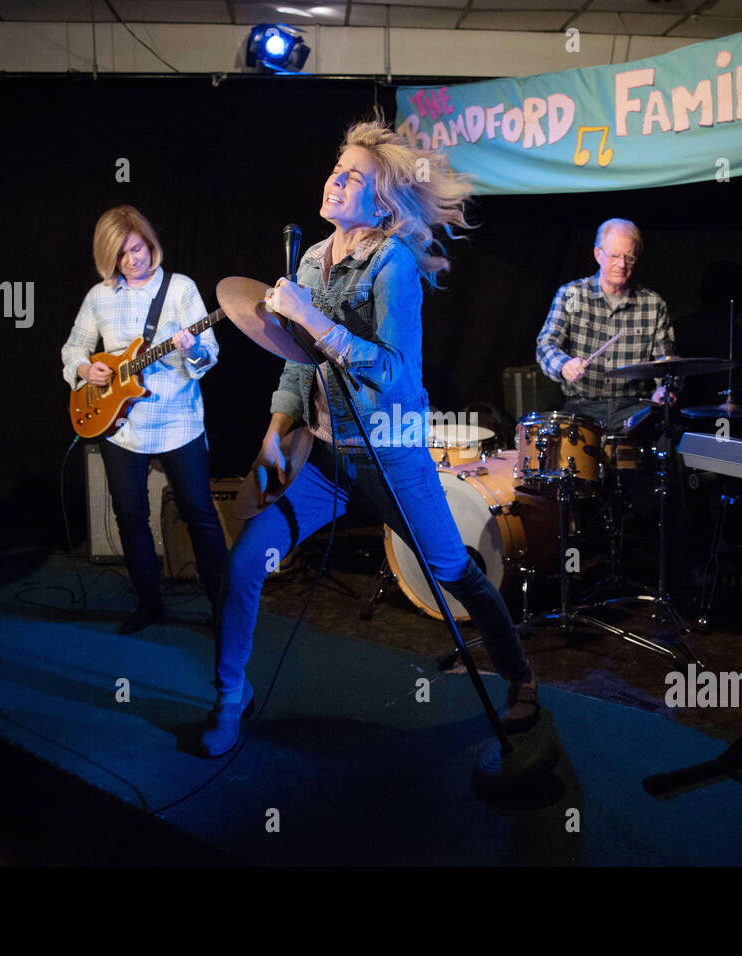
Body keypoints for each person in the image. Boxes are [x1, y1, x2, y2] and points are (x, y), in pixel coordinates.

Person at [203, 117, 538, 756]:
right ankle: (228, 694)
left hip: (393, 456)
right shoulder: (310, 261)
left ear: (380, 200)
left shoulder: (394, 265)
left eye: (353, 176)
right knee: (246, 561)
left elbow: (399, 375)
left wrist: (313, 321)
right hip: (325, 460)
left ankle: (520, 676)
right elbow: (297, 361)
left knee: (453, 573)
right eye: (337, 168)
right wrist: (276, 432)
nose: (336, 180)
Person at [62, 205, 229, 634]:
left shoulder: (181, 289)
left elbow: (209, 352)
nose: (132, 260)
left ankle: (225, 608)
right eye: (121, 255)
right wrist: (84, 370)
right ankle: (149, 604)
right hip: (121, 428)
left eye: (136, 248)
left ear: (149, 243)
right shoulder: (99, 296)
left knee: (200, 514)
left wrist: (191, 348)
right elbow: (73, 349)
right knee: (130, 517)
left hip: (179, 424)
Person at [535, 218, 676, 432]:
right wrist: (564, 365)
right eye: (615, 256)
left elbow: (667, 364)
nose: (622, 264)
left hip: (633, 408)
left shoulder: (653, 304)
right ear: (597, 254)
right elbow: (545, 345)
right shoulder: (571, 294)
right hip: (582, 408)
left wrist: (663, 389)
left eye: (629, 257)